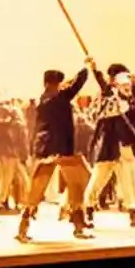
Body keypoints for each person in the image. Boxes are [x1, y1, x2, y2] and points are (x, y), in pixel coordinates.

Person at [17, 62, 92, 242]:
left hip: (46, 149)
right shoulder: (59, 98)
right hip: (61, 149)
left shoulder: (45, 99)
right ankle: (78, 225)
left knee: (37, 189)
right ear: (57, 83)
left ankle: (23, 226)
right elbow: (78, 83)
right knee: (76, 185)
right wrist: (87, 66)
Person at [83, 63, 135, 229]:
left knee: (131, 179)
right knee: (99, 178)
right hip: (108, 146)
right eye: (124, 84)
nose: (128, 86)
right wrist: (95, 70)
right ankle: (87, 208)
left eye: (128, 84)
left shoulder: (133, 101)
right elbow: (97, 112)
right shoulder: (105, 98)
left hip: (126, 145)